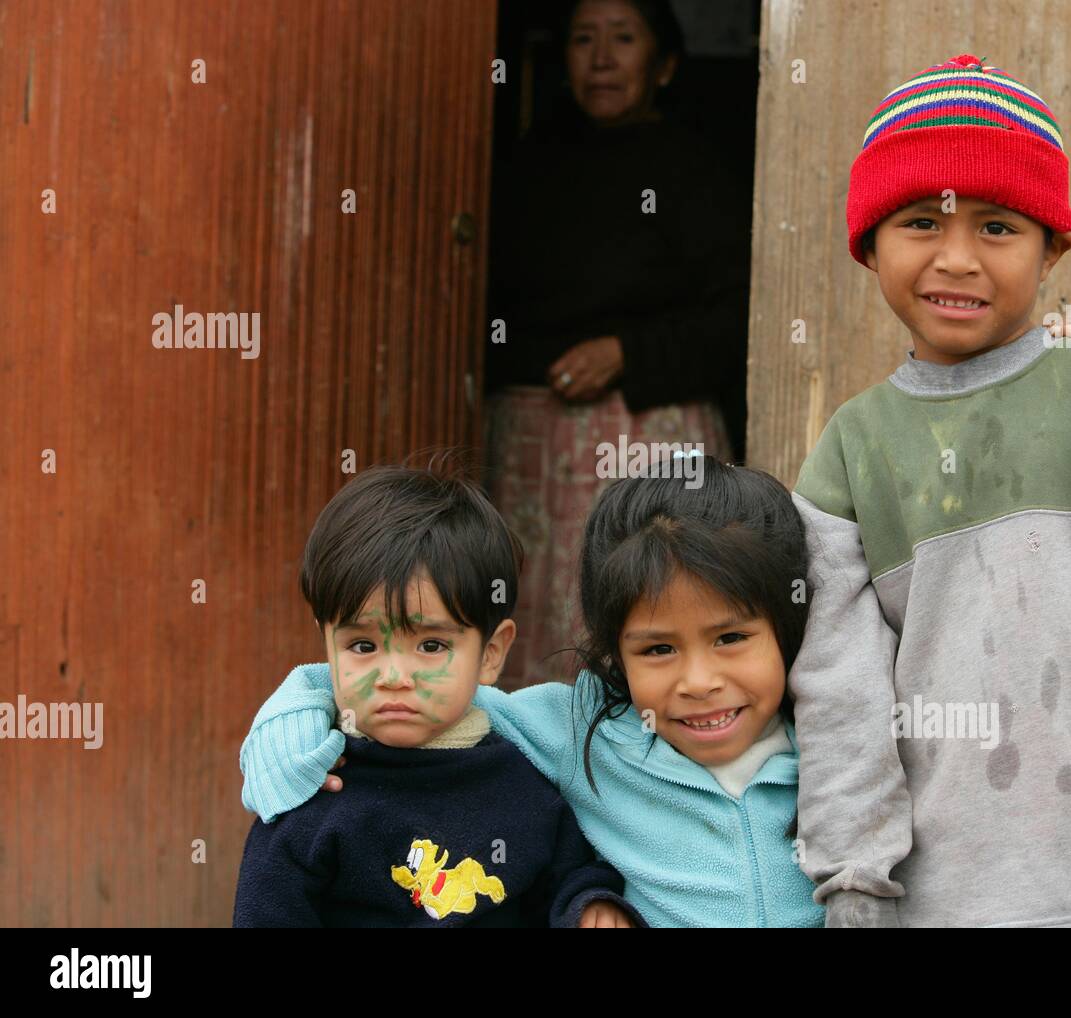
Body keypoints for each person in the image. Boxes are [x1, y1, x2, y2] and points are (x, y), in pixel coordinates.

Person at [788, 54, 1071, 928]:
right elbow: (840, 692)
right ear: (869, 244)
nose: (957, 258)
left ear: (1052, 248)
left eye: (998, 227)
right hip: (939, 905)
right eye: (922, 221)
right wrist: (854, 877)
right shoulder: (850, 452)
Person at [239, 455, 826, 926]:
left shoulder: (833, 736)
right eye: (658, 649)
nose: (700, 682)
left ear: (787, 625)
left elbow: (565, 869)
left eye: (730, 637)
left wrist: (592, 903)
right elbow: (407, 696)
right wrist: (291, 723)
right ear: (617, 654)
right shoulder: (581, 733)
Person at [233, 462, 641, 927]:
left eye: (431, 646)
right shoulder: (314, 797)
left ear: (490, 653)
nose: (393, 675)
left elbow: (568, 876)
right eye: (362, 646)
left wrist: (590, 904)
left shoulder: (525, 786)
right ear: (327, 645)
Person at [484, 0, 750, 687]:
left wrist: (629, 352)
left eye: (623, 39)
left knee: (648, 606)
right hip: (527, 447)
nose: (601, 58)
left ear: (663, 65)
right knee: (522, 613)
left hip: (646, 434)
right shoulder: (525, 165)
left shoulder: (696, 171)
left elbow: (734, 317)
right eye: (583, 39)